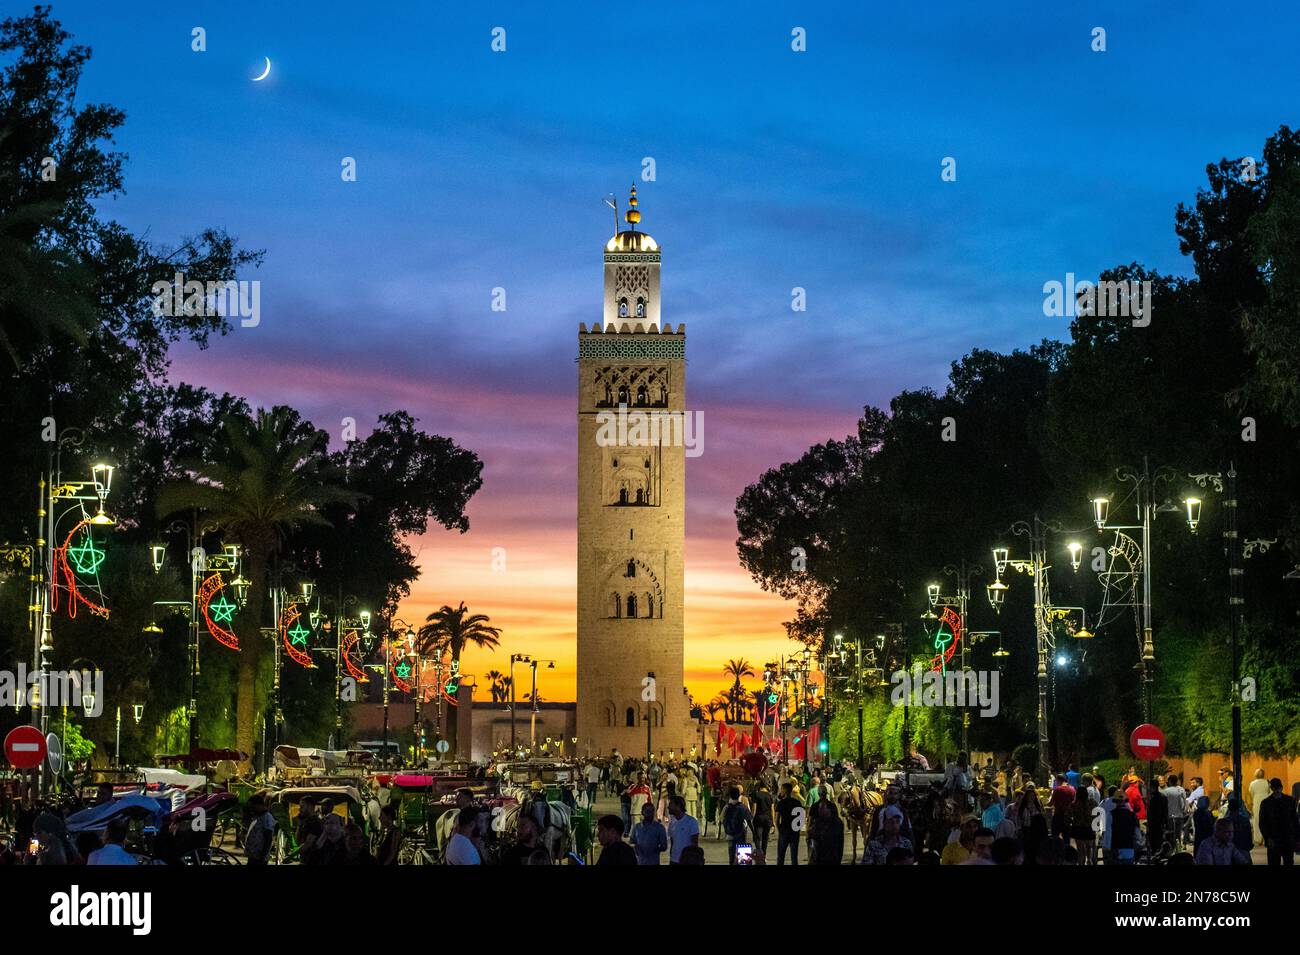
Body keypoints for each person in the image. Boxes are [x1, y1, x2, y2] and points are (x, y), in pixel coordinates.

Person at [1258, 777, 1297, 866]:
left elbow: (1262, 823)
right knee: (1287, 861)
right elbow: (1294, 820)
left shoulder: (1266, 803)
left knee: (1276, 861)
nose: (1276, 791)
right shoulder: (1289, 800)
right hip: (1284, 837)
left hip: (1276, 837)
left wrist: (1267, 838)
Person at [721, 786, 754, 865]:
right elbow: (749, 820)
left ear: (730, 796)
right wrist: (753, 832)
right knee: (742, 858)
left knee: (731, 856)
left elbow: (722, 819)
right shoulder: (742, 807)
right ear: (739, 795)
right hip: (740, 834)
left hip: (730, 835)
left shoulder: (726, 807)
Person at [243, 793, 277, 866]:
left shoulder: (267, 818)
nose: (251, 809)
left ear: (259, 805)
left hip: (259, 858)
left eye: (252, 807)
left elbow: (268, 838)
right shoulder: (258, 817)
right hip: (253, 856)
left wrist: (262, 857)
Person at [775, 781, 804, 866]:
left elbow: (777, 819)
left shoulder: (781, 803)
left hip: (784, 830)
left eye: (781, 789)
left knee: (781, 856)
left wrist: (779, 828)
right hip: (794, 831)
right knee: (794, 856)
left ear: (784, 790)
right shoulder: (797, 802)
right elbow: (801, 818)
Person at [809, 797, 844, 864]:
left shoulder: (834, 823)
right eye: (820, 809)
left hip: (829, 857)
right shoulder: (819, 823)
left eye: (822, 809)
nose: (820, 811)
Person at [667, 795, 700, 864]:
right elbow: (673, 841)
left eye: (670, 804)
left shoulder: (691, 822)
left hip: (687, 860)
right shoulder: (672, 822)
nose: (668, 807)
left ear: (678, 806)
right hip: (674, 859)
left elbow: (695, 843)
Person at [1048, 773, 1076, 844]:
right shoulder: (1072, 789)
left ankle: (1056, 852)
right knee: (1066, 838)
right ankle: (1066, 853)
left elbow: (1051, 803)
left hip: (1058, 815)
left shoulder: (1058, 789)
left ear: (1058, 780)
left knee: (1055, 837)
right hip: (1068, 817)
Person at [1246, 768, 1271, 846]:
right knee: (1266, 819)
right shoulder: (1267, 782)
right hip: (1266, 800)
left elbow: (1251, 793)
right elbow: (1270, 792)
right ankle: (1265, 838)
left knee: (1257, 820)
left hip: (1256, 801)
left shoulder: (1252, 783)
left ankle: (1258, 839)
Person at [751, 779, 775, 857]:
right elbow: (772, 809)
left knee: (757, 837)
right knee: (765, 838)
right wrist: (773, 821)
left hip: (758, 818)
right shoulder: (770, 795)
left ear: (759, 786)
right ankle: (763, 855)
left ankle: (759, 853)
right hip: (767, 819)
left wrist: (752, 817)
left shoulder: (756, 794)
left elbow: (754, 808)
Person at [1162, 774, 1187, 847]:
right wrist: (1183, 812)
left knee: (1171, 834)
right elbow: (1184, 803)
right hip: (1179, 816)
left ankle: (1172, 848)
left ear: (1169, 781)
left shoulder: (1166, 791)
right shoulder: (1181, 790)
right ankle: (1178, 848)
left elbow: (1164, 804)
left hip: (1170, 816)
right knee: (1178, 834)